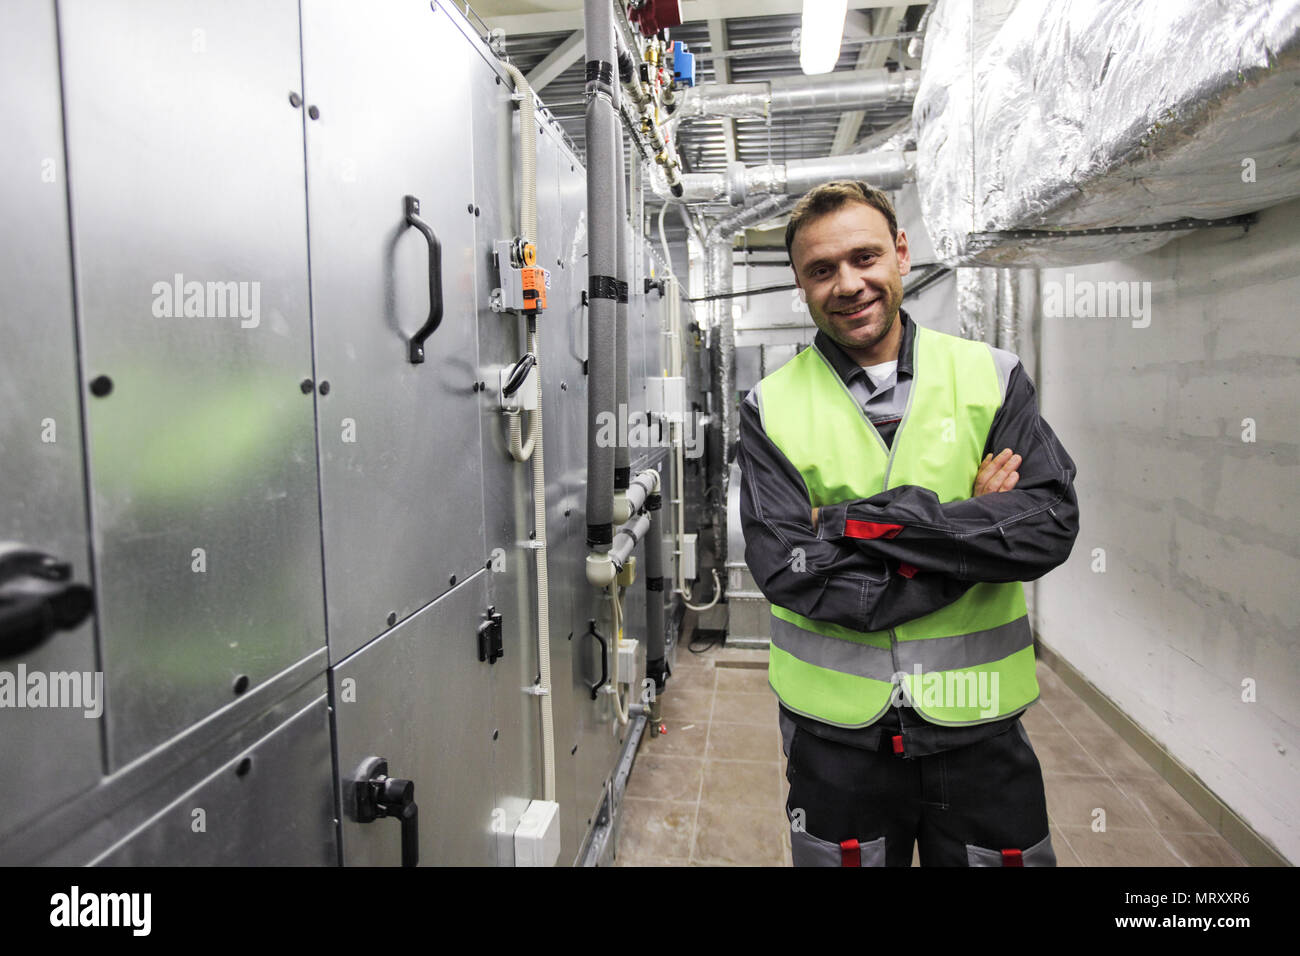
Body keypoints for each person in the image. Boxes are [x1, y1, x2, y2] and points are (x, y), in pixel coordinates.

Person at [737, 180, 1080, 867]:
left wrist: (840, 522)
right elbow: (790, 570)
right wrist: (969, 536)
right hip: (836, 738)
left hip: (978, 726)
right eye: (822, 270)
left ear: (900, 253)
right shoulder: (769, 406)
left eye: (864, 258)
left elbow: (1046, 523)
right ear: (800, 286)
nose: (849, 284)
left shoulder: (991, 376)